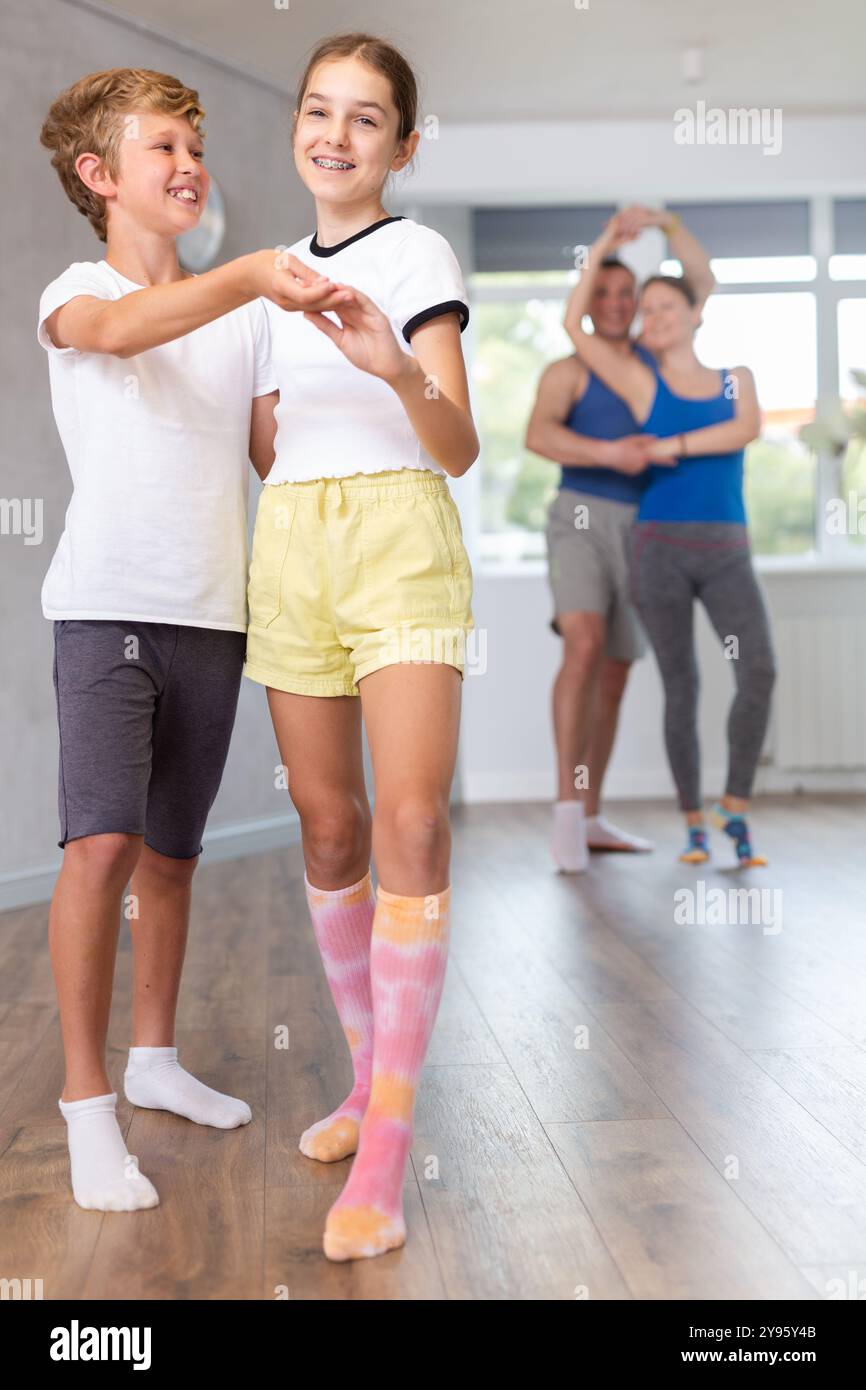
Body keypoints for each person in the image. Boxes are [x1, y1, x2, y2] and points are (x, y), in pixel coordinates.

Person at [37, 66, 352, 1211]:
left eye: (194, 146)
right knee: (101, 849)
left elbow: (282, 458)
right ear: (98, 174)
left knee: (173, 853)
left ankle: (156, 1062)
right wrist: (251, 277)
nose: (187, 164)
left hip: (218, 617)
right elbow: (121, 331)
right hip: (107, 613)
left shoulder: (250, 320)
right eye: (162, 147)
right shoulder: (75, 292)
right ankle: (86, 1111)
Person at [242, 33, 477, 1262]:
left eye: (366, 118)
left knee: (410, 825)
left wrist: (392, 363)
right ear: (296, 123)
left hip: (399, 533)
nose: (336, 134)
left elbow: (457, 444)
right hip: (292, 544)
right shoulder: (270, 278)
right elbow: (273, 443)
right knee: (326, 828)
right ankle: (358, 1079)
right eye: (319, 110)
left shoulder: (416, 253)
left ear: (401, 143)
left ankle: (386, 1140)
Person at [564, 214, 776, 866]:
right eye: (644, 310)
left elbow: (745, 430)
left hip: (726, 548)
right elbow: (574, 325)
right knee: (682, 686)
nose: (651, 316)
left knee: (759, 670)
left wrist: (665, 224)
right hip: (658, 549)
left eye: (664, 305)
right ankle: (692, 821)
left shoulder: (735, 376)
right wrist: (605, 246)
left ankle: (733, 805)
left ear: (694, 313)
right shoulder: (638, 380)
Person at [525, 207, 716, 871]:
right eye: (601, 291)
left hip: (649, 526)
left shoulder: (655, 359)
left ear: (638, 304)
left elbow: (701, 282)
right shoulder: (571, 367)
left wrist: (666, 223)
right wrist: (614, 455)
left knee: (614, 671)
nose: (612, 303)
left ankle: (593, 811)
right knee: (583, 645)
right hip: (581, 515)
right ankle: (565, 815)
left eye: (623, 294)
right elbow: (538, 436)